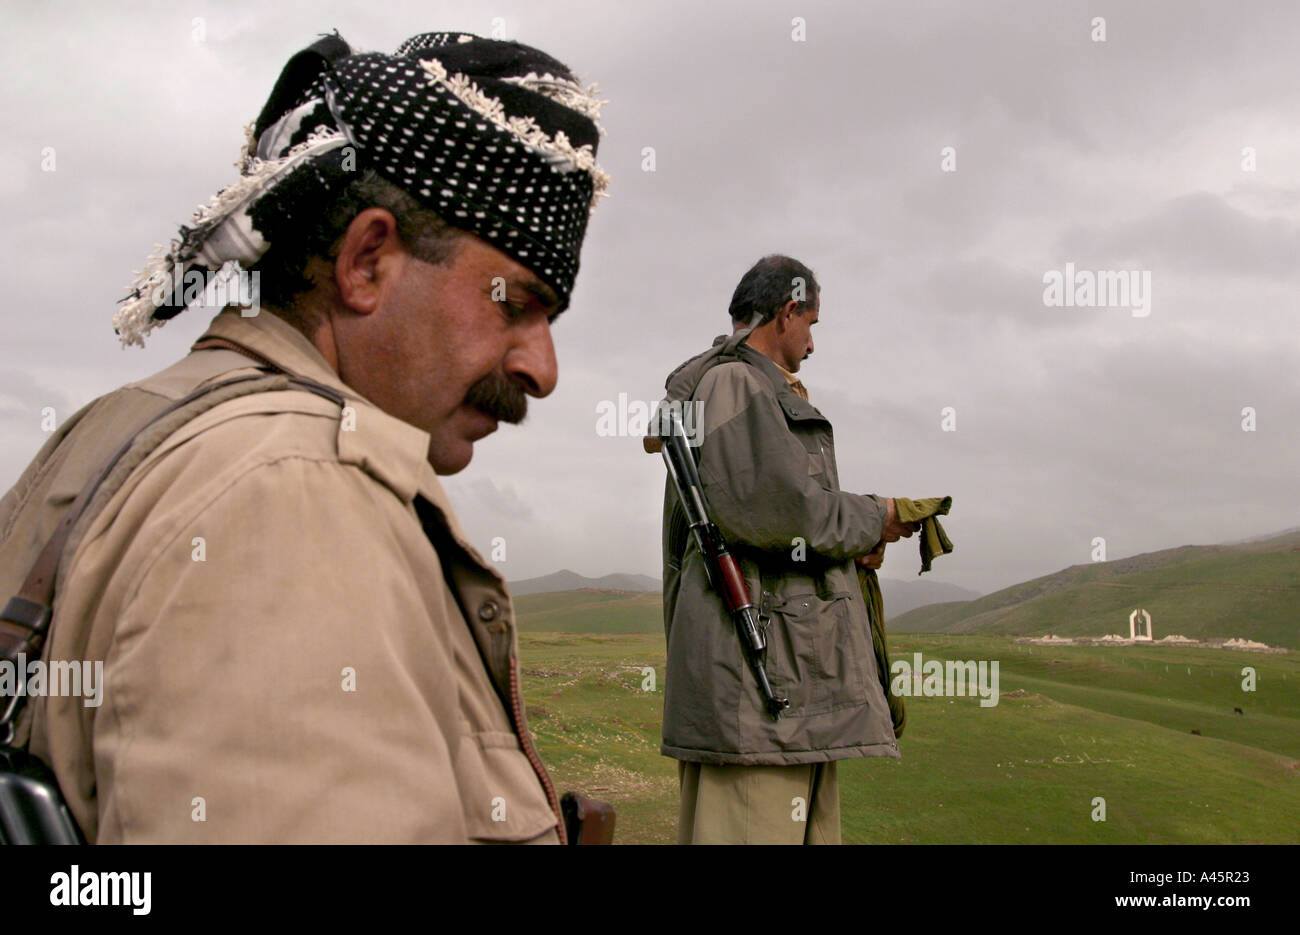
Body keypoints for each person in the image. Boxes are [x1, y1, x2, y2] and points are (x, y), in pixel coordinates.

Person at [0, 30, 609, 843]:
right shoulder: (296, 494)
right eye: (516, 304)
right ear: (366, 262)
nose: (543, 368)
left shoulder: (118, 427)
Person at [656, 254, 918, 844]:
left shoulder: (750, 387)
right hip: (754, 695)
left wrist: (855, 545)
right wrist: (880, 514)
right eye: (812, 325)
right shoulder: (733, 383)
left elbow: (780, 524)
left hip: (785, 690)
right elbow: (780, 511)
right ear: (787, 310)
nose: (813, 344)